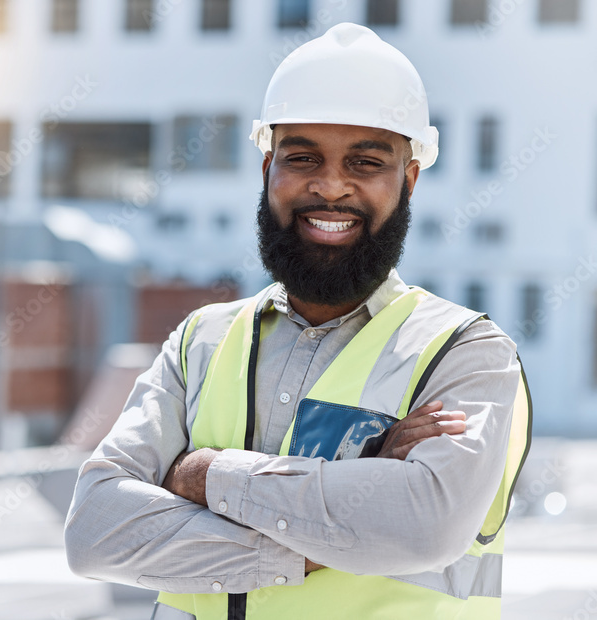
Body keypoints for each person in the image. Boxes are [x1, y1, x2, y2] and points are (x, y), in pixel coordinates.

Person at [63, 23, 531, 620]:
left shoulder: (467, 354)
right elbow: (95, 532)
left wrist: (202, 474)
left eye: (365, 162)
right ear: (267, 169)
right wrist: (334, 524)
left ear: (408, 180)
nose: (331, 186)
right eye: (303, 156)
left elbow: (422, 526)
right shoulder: (200, 341)